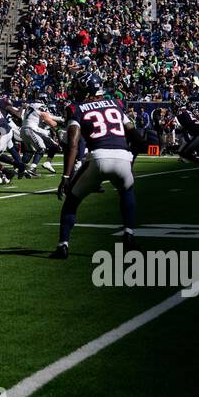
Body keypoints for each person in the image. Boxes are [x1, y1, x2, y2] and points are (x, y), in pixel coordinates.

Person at [53, 72, 138, 260]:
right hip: (122, 156)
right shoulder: (117, 103)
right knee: (127, 191)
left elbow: (73, 143)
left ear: (86, 89)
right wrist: (132, 158)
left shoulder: (77, 108)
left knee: (72, 202)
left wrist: (66, 177)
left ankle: (63, 245)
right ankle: (129, 234)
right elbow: (134, 134)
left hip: (98, 157)